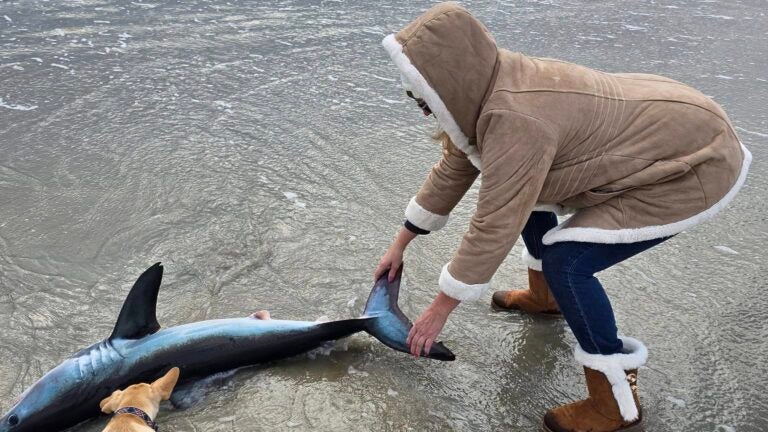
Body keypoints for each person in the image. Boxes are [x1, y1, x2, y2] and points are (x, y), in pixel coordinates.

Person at [373, 2, 751, 431]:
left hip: (694, 164)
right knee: (531, 201)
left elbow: (494, 220)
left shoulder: (515, 119)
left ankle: (615, 404)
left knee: (567, 261)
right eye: (412, 93)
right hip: (667, 123)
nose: (419, 104)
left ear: (448, 81)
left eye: (422, 93)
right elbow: (455, 166)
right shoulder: (484, 90)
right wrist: (401, 242)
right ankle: (545, 298)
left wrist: (441, 308)